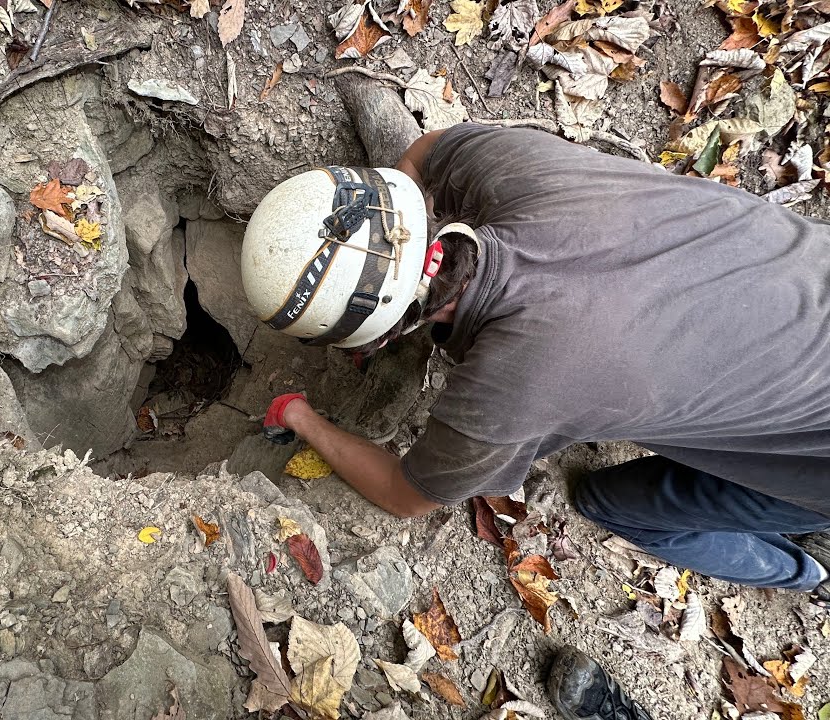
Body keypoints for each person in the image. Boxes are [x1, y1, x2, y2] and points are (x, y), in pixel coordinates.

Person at [241, 80, 830, 719]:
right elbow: (423, 152)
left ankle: (803, 573)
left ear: (380, 333)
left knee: (609, 501)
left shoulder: (511, 386)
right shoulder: (516, 168)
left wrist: (301, 416)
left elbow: (404, 494)